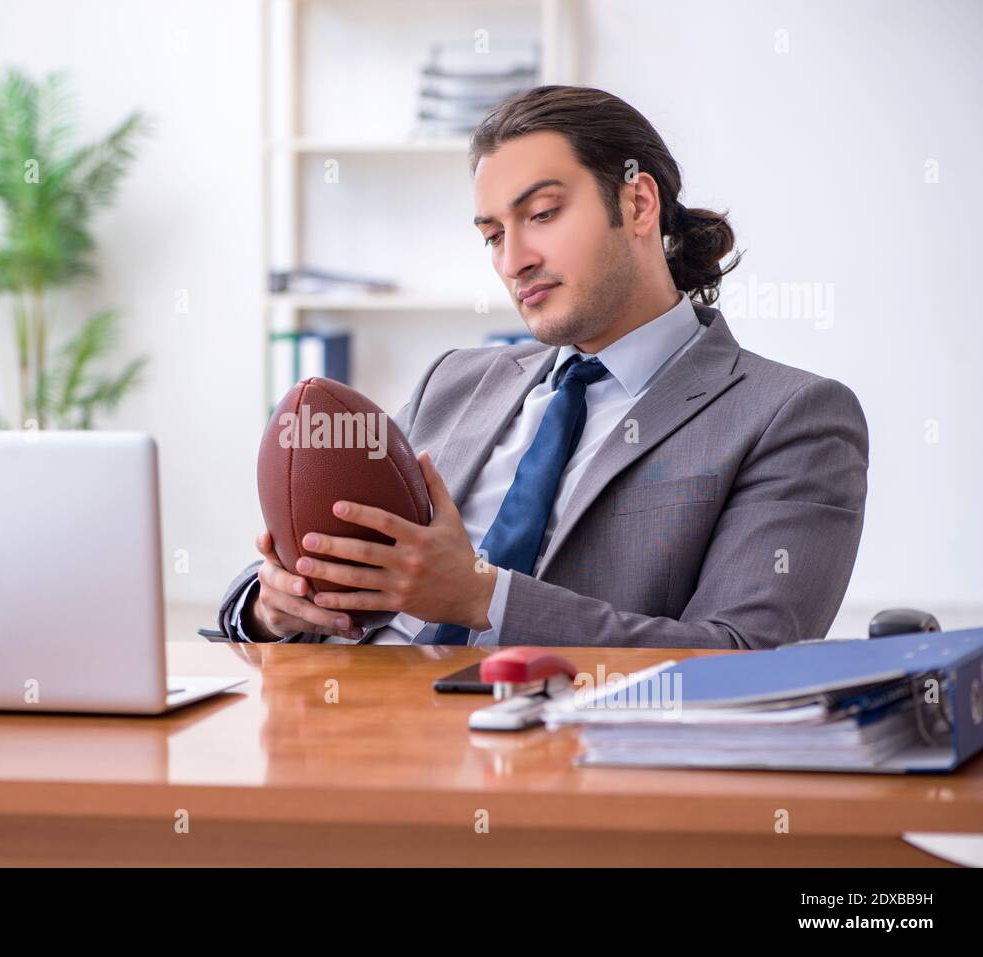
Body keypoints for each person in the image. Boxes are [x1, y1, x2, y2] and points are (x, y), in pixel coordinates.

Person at [218, 85, 868, 650]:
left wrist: (483, 598)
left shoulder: (791, 416)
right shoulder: (455, 379)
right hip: (344, 729)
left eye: (542, 214)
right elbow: (325, 570)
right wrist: (273, 607)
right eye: (493, 235)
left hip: (551, 759)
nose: (513, 260)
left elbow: (746, 656)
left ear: (639, 204)